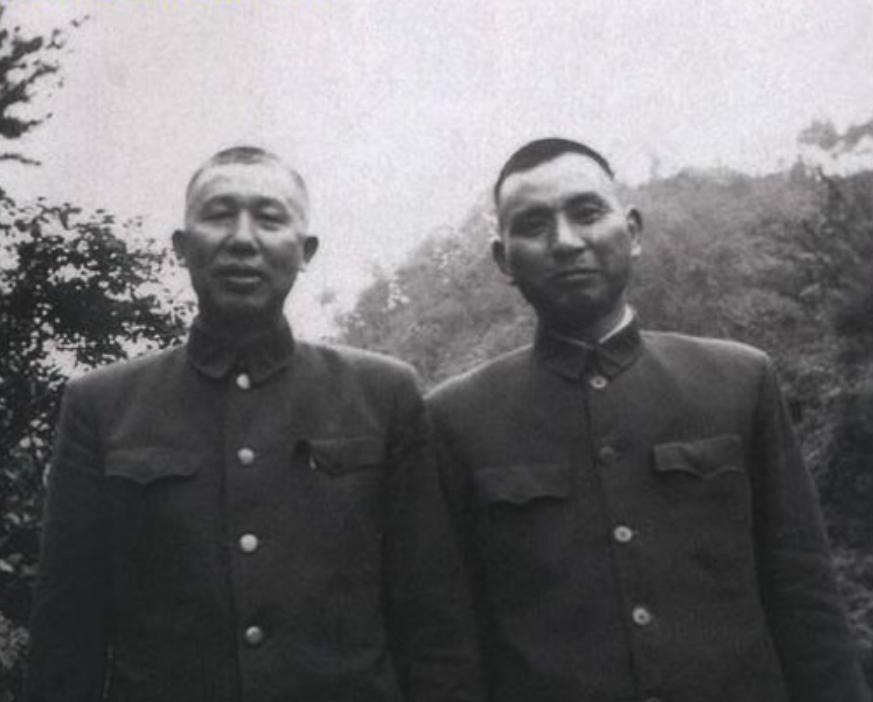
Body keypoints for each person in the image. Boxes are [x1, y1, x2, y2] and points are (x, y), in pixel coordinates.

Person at [25, 146, 482, 702]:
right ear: (182, 247)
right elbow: (66, 636)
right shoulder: (101, 404)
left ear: (305, 249)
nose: (243, 239)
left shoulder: (383, 394)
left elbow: (433, 623)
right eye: (219, 215)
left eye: (269, 218)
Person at [426, 137, 869, 702]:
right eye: (533, 225)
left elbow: (805, 599)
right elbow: (452, 638)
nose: (565, 242)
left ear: (632, 231)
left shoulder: (739, 380)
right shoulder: (454, 419)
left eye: (587, 213)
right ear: (502, 258)